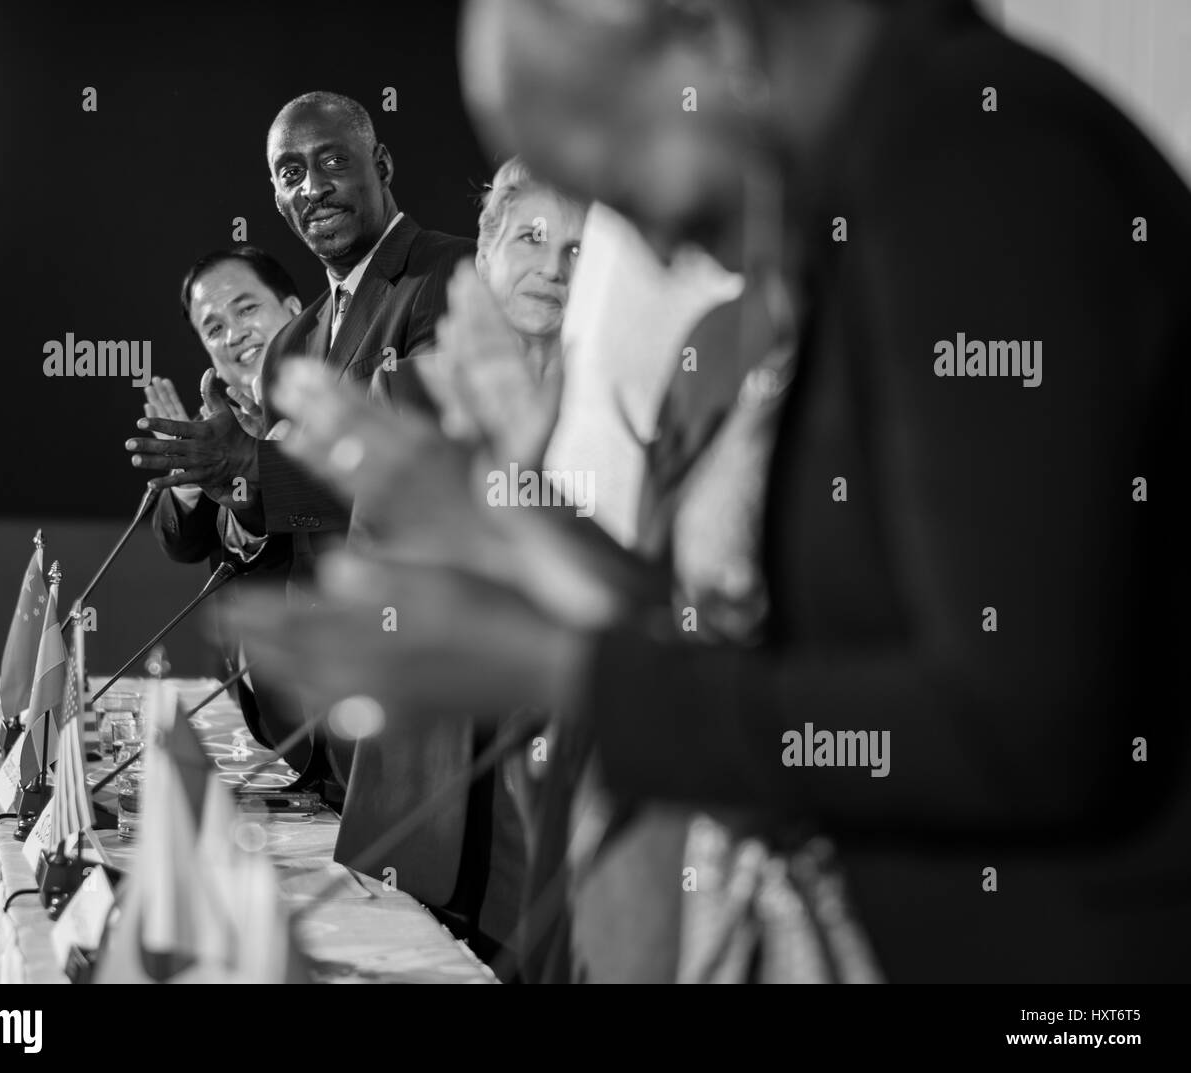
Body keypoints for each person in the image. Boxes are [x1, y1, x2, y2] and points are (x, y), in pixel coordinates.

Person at [238, 0, 1191, 983]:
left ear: (704, 35)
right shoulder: (870, 191)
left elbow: (1023, 726)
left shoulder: (968, 150)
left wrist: (567, 674)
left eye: (615, 179)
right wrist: (488, 506)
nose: (648, 246)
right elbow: (756, 652)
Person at [125, 91, 474, 792]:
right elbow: (288, 521)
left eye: (331, 161)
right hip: (317, 730)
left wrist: (246, 464)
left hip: (416, 705)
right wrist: (231, 485)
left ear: (381, 163)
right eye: (289, 173)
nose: (310, 186)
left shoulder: (448, 277)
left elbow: (415, 480)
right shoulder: (297, 340)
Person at [338, 158, 585, 973]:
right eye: (532, 238)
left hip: (556, 798)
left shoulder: (612, 411)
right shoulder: (405, 394)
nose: (552, 267)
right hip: (423, 790)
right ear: (484, 254)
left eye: (578, 252)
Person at [143, 246, 312, 773]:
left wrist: (247, 468)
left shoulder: (341, 401)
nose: (234, 334)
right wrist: (194, 478)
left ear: (292, 308)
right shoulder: (218, 421)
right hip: (258, 712)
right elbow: (179, 541)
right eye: (213, 328)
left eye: (246, 309)